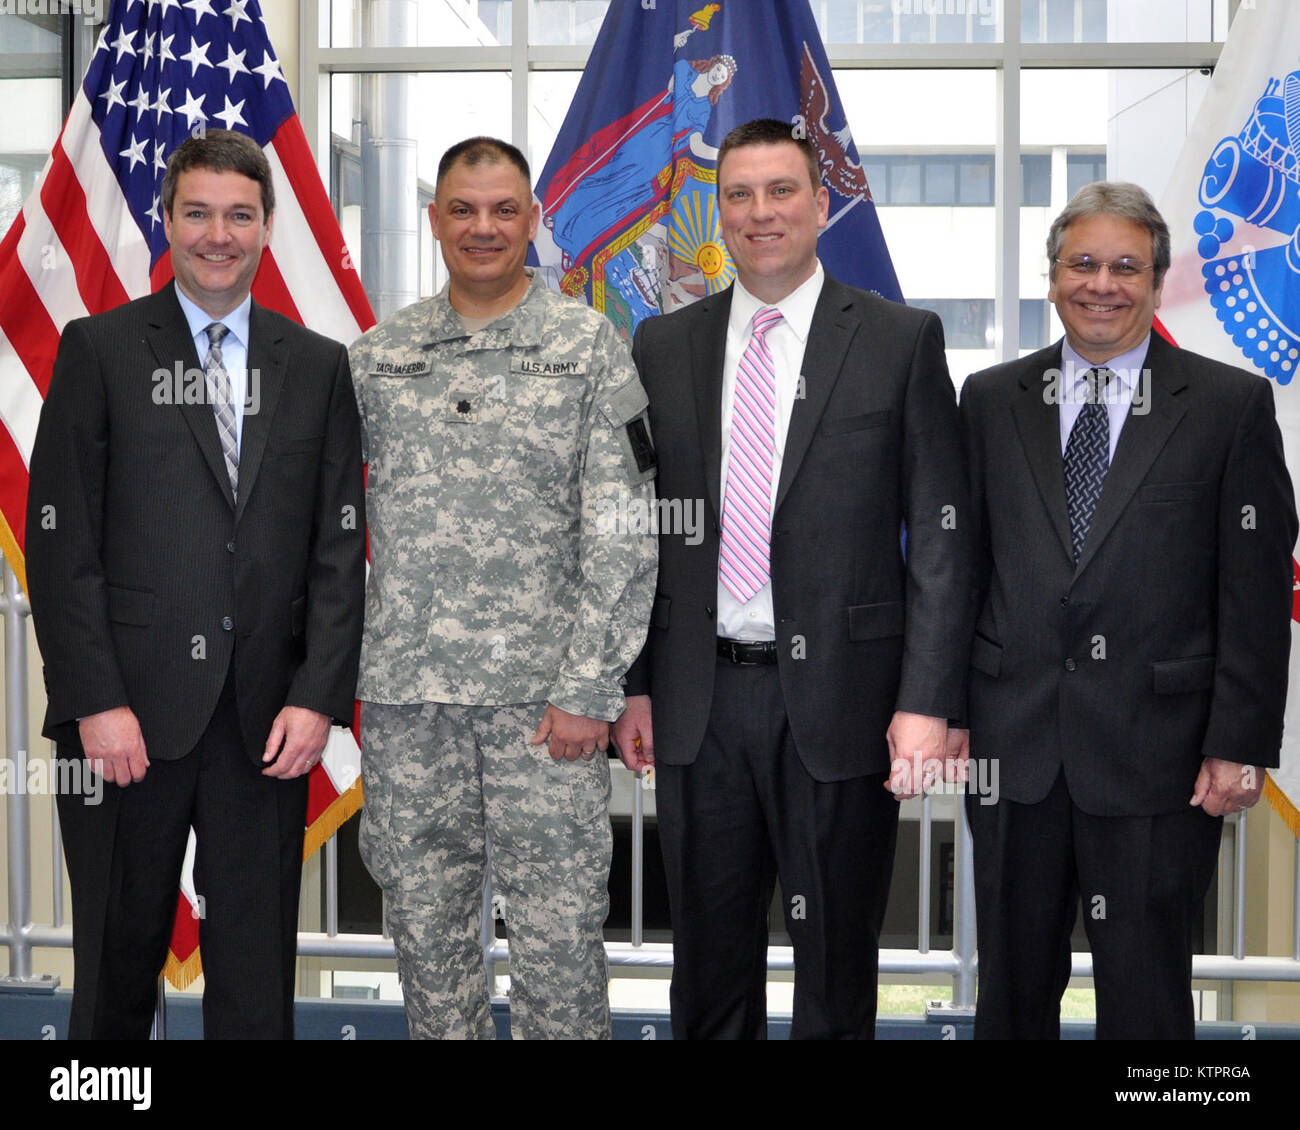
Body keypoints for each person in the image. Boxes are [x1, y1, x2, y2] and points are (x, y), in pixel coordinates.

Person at [612, 118, 971, 1039]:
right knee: (709, 967)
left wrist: (927, 699)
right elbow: (638, 532)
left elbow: (939, 534)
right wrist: (638, 683)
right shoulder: (661, 344)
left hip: (846, 701)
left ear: (819, 206)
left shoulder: (899, 339)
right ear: (718, 213)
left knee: (837, 968)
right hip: (701, 703)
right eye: (739, 195)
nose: (760, 212)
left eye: (781, 192)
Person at [25, 129, 367, 1039]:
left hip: (268, 726)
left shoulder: (319, 366)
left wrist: (319, 697)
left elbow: (339, 550)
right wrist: (95, 699)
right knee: (112, 968)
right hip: (125, 722)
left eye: (240, 215)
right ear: (166, 221)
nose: (220, 234)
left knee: (255, 984)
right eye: (199, 213)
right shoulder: (96, 350)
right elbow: (62, 546)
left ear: (266, 226)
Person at [958, 181, 1297, 1039]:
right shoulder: (990, 400)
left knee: (1147, 1000)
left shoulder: (1229, 406)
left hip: (1162, 758)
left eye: (1124, 267)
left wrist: (1239, 744)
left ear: (1155, 282)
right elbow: (957, 569)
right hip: (1016, 754)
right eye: (1082, 263)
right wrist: (950, 714)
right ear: (1052, 277)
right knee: (1010, 992)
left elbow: (1254, 594)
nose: (1100, 283)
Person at [350, 137, 656, 1040]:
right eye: (463, 209)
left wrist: (589, 689)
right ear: (435, 218)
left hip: (545, 710)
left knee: (560, 947)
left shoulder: (589, 345)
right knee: (426, 940)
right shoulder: (378, 356)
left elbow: (626, 529)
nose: (483, 228)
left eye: (504, 209)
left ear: (531, 219)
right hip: (411, 708)